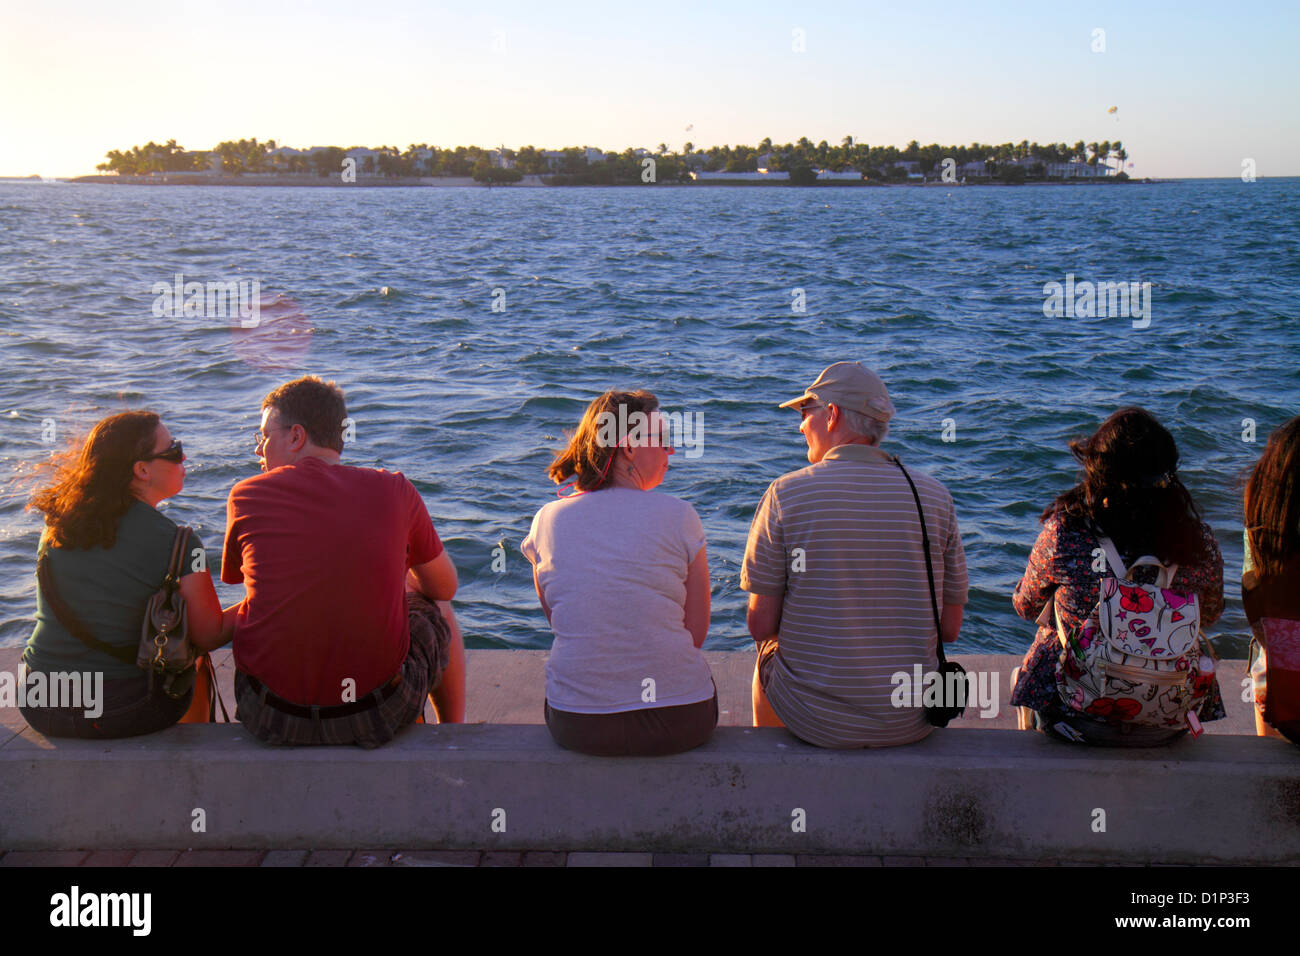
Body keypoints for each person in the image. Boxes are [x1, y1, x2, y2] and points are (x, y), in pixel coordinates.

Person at [216, 375, 465, 747]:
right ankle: (452, 736)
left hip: (272, 717)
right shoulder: (394, 488)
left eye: (264, 437)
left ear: (296, 436)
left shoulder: (246, 495)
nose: (259, 450)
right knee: (436, 606)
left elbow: (251, 590)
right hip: (376, 713)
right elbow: (445, 587)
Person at [742, 362, 969, 748]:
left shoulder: (785, 494)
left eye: (805, 412)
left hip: (815, 723)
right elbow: (949, 629)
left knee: (767, 651)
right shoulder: (933, 496)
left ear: (831, 415)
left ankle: (775, 772)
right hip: (911, 722)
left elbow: (761, 625)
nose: (800, 425)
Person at [1009, 407, 1225, 745]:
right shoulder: (1198, 541)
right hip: (1167, 717)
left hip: (1076, 715)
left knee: (1052, 634)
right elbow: (1209, 614)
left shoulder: (1066, 533)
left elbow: (1025, 606)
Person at [521, 389, 717, 756]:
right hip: (681, 720)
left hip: (579, 724)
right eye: (662, 441)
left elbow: (561, 620)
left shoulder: (547, 520)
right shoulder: (681, 516)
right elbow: (695, 633)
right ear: (629, 448)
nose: (670, 452)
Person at [21, 411, 223, 738]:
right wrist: (260, 607)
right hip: (121, 709)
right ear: (141, 470)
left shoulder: (57, 524)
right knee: (190, 654)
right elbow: (210, 635)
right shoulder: (183, 544)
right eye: (173, 450)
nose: (183, 456)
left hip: (40, 702)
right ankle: (194, 759)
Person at [1242, 415, 1300, 745]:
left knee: (1265, 650)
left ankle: (1269, 752)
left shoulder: (1260, 544)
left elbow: (1261, 629)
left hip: (1290, 717)